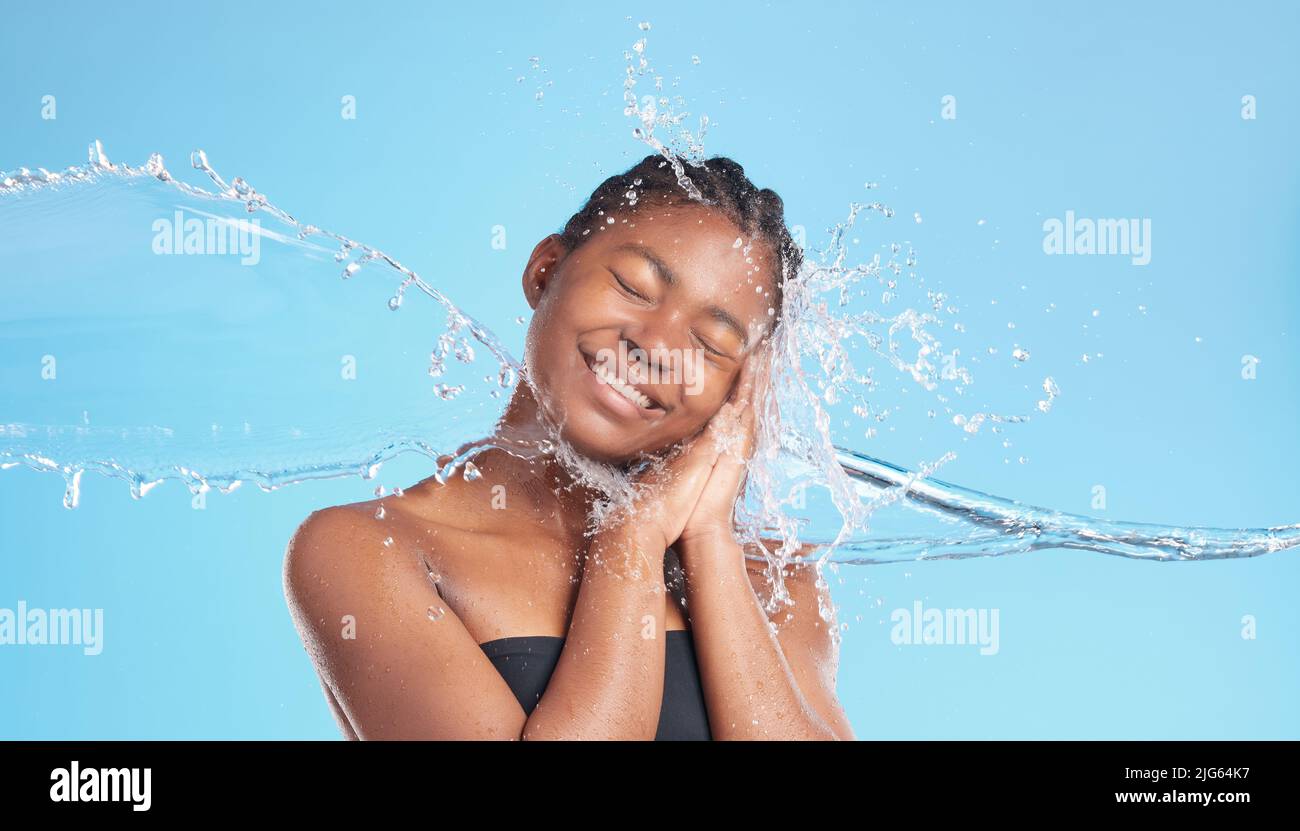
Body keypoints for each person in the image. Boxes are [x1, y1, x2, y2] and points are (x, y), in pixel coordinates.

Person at [283, 153, 855, 740]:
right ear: (545, 269)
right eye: (634, 287)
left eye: (710, 344)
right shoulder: (371, 550)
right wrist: (630, 536)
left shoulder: (777, 583)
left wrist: (708, 541)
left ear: (740, 393)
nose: (657, 346)